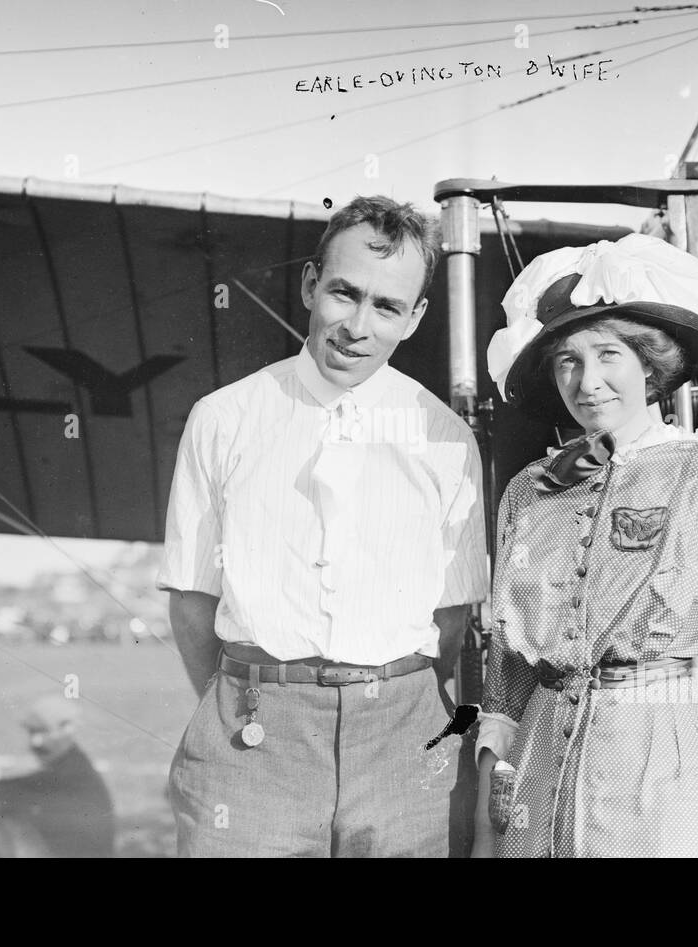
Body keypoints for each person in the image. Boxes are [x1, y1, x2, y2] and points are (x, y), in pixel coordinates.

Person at [157, 195, 489, 857]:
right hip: (254, 736)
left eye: (387, 306)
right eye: (344, 293)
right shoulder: (224, 418)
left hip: (406, 739)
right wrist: (266, 700)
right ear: (311, 285)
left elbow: (451, 625)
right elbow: (193, 604)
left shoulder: (446, 439)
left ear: (416, 316)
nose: (357, 326)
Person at [473, 233, 698, 858]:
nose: (587, 381)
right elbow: (506, 676)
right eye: (567, 360)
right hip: (537, 769)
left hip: (662, 770)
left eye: (608, 355)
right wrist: (487, 834)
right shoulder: (528, 491)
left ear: (649, 364)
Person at [0, 695, 115, 857]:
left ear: (67, 731)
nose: (35, 742)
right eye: (31, 733)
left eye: (42, 732)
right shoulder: (75, 768)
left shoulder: (68, 775)